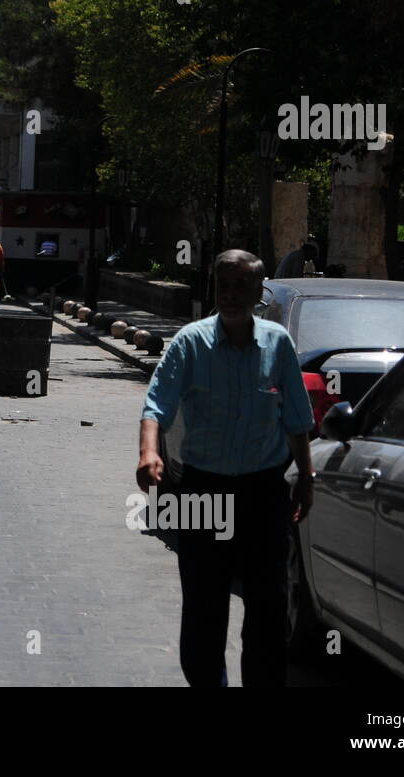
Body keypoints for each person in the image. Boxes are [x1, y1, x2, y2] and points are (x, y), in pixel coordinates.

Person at [137, 249, 316, 687]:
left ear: (258, 293)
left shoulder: (278, 344)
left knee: (268, 608)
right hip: (203, 492)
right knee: (204, 606)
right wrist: (149, 452)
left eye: (241, 287)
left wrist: (306, 478)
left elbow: (296, 418)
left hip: (264, 492)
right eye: (224, 286)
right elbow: (156, 404)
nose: (231, 295)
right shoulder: (190, 342)